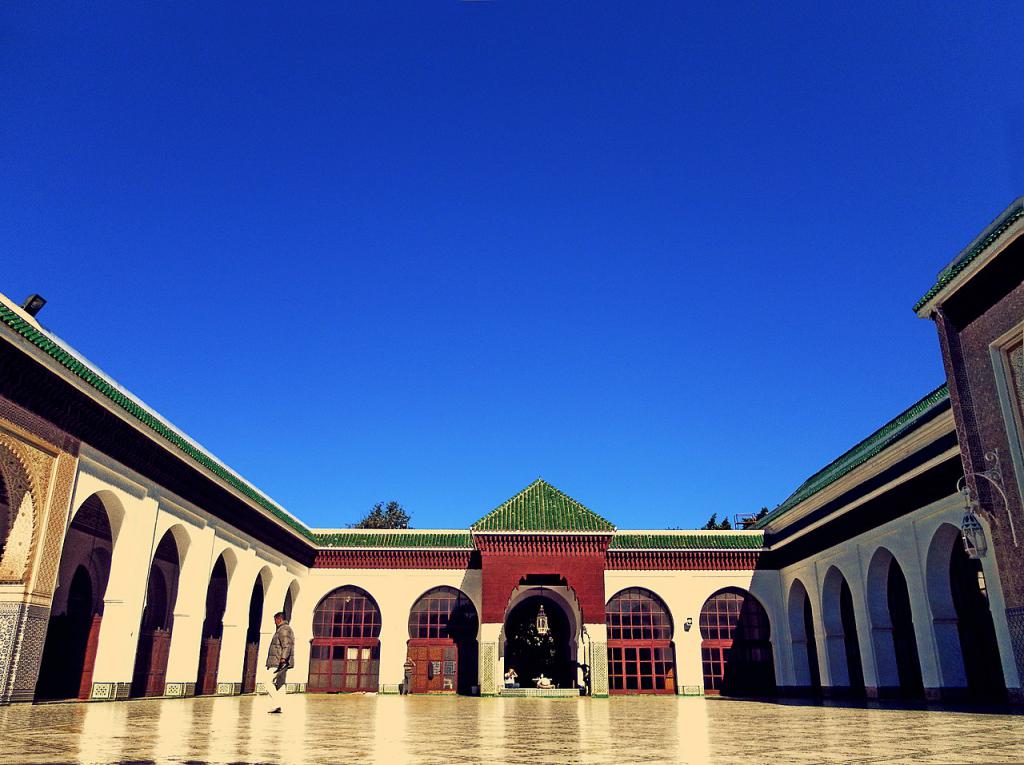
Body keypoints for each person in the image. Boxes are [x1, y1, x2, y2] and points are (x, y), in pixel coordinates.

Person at [262, 611, 294, 714]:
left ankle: (277, 704)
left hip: (278, 662)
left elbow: (287, 645)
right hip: (280, 661)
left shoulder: (283, 629)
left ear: (279, 619)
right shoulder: (284, 629)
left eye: (275, 620)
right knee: (280, 684)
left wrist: (283, 659)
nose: (274, 623)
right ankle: (280, 706)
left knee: (267, 682)